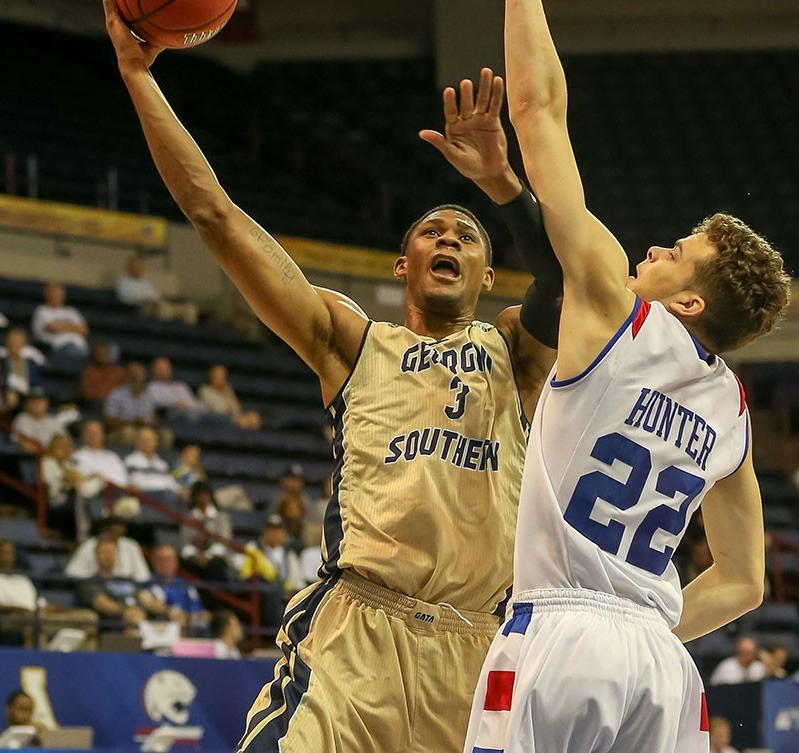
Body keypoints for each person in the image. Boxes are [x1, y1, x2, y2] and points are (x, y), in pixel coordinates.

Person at [105, 7, 561, 750]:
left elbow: (567, 277)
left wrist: (505, 186)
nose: (448, 236)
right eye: (431, 232)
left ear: (485, 273)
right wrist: (138, 75)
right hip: (356, 636)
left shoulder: (514, 347)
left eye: (466, 235)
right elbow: (215, 215)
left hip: (476, 648)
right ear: (402, 265)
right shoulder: (350, 338)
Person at [463, 2, 792, 752]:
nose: (654, 246)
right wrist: (641, 620)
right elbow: (745, 580)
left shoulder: (615, 310)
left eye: (675, 249)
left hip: (557, 630)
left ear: (688, 300)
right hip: (660, 661)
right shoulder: (734, 409)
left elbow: (536, 107)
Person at [76, 537, 172, 628]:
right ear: (96, 555)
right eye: (104, 552)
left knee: (171, 621)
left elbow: (145, 598)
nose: (108, 556)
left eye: (111, 552)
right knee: (134, 619)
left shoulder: (128, 580)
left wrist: (170, 611)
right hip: (114, 623)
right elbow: (102, 603)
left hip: (142, 618)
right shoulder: (90, 582)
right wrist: (125, 611)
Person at [117, 255, 200, 325]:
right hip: (142, 309)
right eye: (136, 267)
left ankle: (189, 337)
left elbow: (157, 296)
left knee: (190, 308)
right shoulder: (124, 282)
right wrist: (148, 300)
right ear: (130, 267)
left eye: (141, 267)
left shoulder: (145, 283)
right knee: (163, 309)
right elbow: (127, 299)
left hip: (158, 304)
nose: (139, 269)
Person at [180, 482, 234, 582]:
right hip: (194, 557)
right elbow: (185, 543)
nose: (203, 498)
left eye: (205, 495)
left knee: (214, 566)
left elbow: (225, 541)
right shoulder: (188, 518)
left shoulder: (221, 517)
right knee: (186, 565)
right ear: (194, 497)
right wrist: (196, 555)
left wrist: (207, 555)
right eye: (199, 495)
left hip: (216, 557)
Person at [65, 518, 150, 582]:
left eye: (121, 527)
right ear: (105, 529)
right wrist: (97, 578)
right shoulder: (89, 545)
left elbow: (143, 576)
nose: (119, 530)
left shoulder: (131, 545)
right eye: (114, 528)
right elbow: (72, 572)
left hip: (125, 586)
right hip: (95, 585)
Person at [146, 545, 204, 631]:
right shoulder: (147, 584)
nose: (165, 564)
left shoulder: (186, 585)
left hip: (190, 626)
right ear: (153, 562)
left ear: (176, 562)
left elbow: (199, 610)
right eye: (161, 560)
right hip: (164, 627)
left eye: (169, 560)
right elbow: (157, 606)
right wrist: (172, 613)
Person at [103, 362, 160, 446]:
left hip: (143, 431)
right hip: (119, 431)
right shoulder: (116, 394)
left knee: (165, 434)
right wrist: (132, 422)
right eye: (133, 375)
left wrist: (148, 423)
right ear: (127, 376)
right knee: (129, 431)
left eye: (140, 375)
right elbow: (110, 421)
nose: (137, 378)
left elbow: (154, 419)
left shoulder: (148, 396)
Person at [70, 420, 129, 497]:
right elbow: (81, 480)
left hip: (118, 494)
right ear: (83, 436)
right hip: (95, 497)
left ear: (102, 435)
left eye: (97, 433)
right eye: (90, 433)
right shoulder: (77, 456)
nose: (94, 436)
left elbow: (123, 480)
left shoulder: (113, 456)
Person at [31, 282, 89, 355]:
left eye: (59, 295)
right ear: (47, 296)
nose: (57, 297)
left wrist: (62, 326)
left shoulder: (71, 311)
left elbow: (84, 330)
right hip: (55, 348)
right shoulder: (42, 310)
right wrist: (72, 326)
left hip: (80, 346)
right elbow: (53, 328)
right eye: (54, 294)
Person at [198, 364, 261, 429]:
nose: (220, 378)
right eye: (217, 375)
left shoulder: (227, 390)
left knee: (254, 417)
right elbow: (221, 409)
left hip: (230, 418)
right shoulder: (205, 390)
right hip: (216, 419)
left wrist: (230, 395)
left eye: (223, 375)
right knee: (243, 421)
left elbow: (237, 410)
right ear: (211, 375)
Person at [0, 328, 45, 402]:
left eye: (17, 342)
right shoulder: (0, 362)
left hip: (28, 395)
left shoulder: (31, 364)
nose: (14, 345)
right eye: (12, 342)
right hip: (8, 393)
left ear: (23, 344)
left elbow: (37, 384)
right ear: (7, 343)